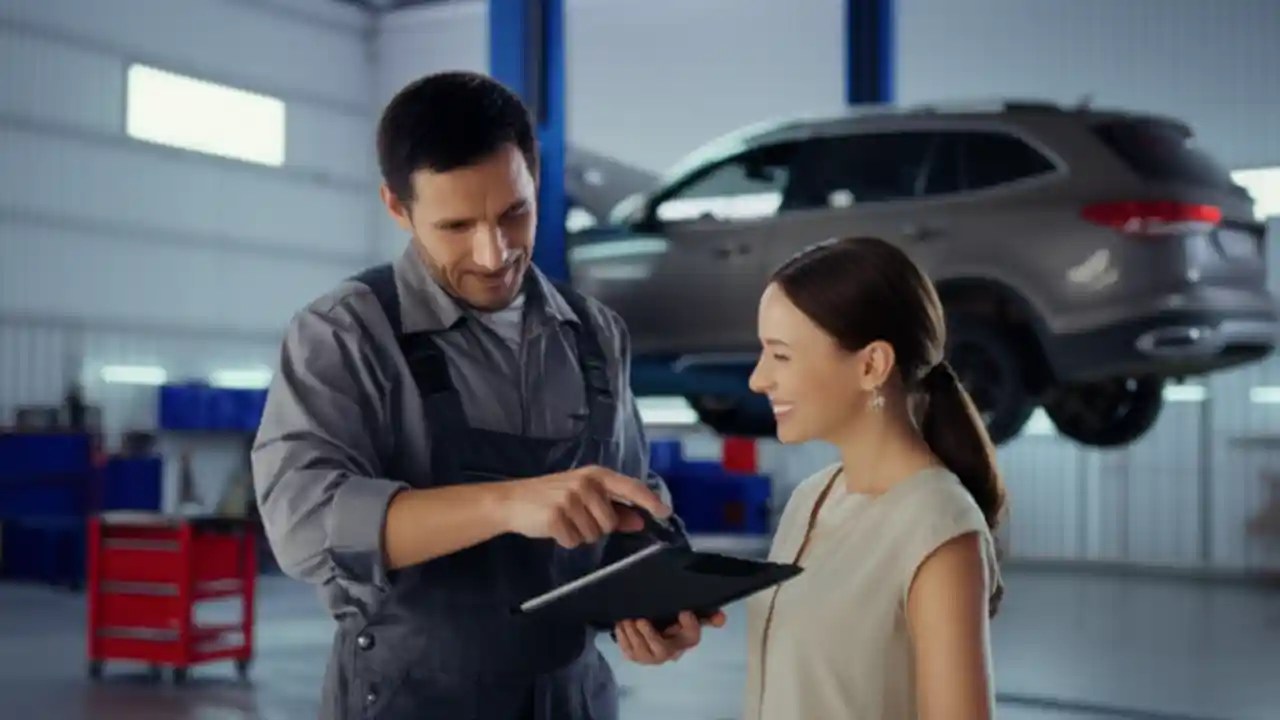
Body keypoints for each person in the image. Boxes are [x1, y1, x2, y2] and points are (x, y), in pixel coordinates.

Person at [251, 71, 723, 720]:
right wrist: (506, 503)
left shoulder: (595, 334)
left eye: (514, 213)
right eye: (456, 225)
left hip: (571, 702)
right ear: (398, 207)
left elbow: (627, 510)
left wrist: (652, 598)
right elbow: (304, 527)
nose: (494, 252)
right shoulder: (345, 334)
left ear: (533, 176)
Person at [740, 236, 1005, 720]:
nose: (759, 379)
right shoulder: (810, 499)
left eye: (780, 356)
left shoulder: (938, 527)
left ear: (871, 365)